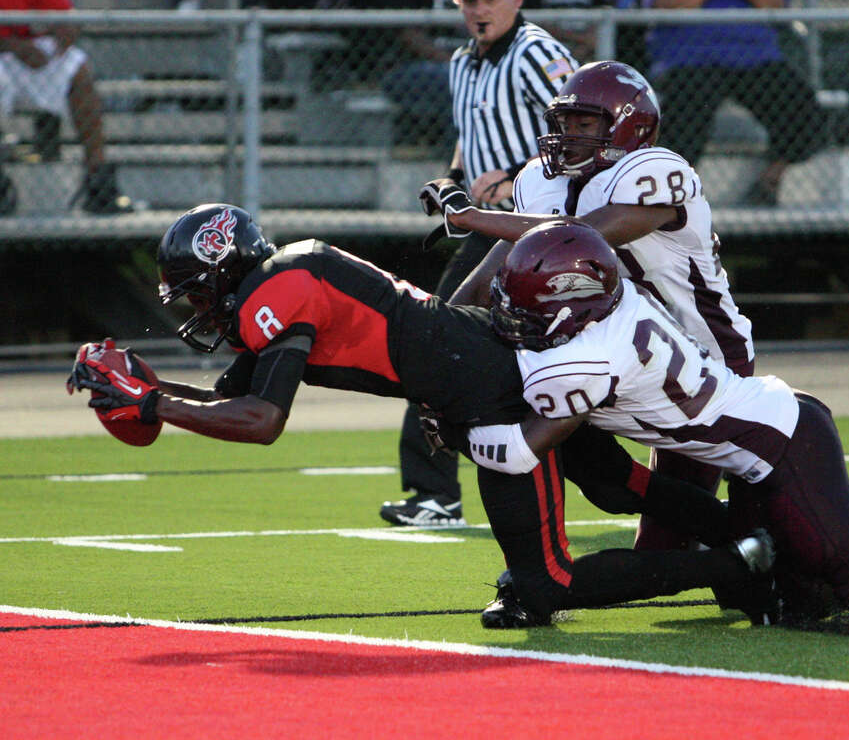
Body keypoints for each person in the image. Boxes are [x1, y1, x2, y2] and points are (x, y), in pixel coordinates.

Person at [66, 203, 776, 628]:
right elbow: (228, 401)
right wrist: (143, 391)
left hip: (487, 394)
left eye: (196, 294)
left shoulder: (276, 291)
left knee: (546, 580)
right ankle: (747, 533)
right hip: (470, 380)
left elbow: (262, 420)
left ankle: (740, 561)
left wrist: (152, 400)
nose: (198, 310)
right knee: (614, 481)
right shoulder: (277, 284)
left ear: (226, 271)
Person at [443, 220, 849, 639]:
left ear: (576, 307)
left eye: (529, 310)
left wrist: (456, 426)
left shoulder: (591, 356)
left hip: (786, 446)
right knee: (793, 599)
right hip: (756, 452)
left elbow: (516, 451)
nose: (513, 320)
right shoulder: (609, 305)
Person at [417, 60, 755, 552]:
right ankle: (536, 572)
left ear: (629, 125)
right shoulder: (542, 181)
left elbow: (580, 235)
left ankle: (751, 548)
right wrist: (439, 339)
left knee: (677, 547)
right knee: (598, 477)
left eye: (585, 123)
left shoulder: (657, 172)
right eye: (563, 123)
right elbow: (496, 268)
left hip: (699, 364)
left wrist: (473, 216)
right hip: (611, 358)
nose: (568, 135)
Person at [383, 0, 578, 528]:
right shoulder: (460, 63)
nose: (478, 8)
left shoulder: (538, 52)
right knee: (431, 338)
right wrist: (451, 179)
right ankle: (434, 492)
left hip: (544, 230)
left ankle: (655, 483)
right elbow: (469, 142)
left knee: (571, 362)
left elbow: (585, 129)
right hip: (490, 229)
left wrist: (519, 171)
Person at [616, 0, 824, 205]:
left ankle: (769, 180)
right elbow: (667, 3)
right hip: (686, 58)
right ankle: (674, 194)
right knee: (691, 104)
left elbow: (773, 4)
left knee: (804, 107)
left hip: (755, 57)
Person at [0, 0, 133, 214]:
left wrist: (64, 35)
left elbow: (65, 16)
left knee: (77, 65)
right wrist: (16, 46)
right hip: (4, 53)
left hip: (35, 52)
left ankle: (98, 180)